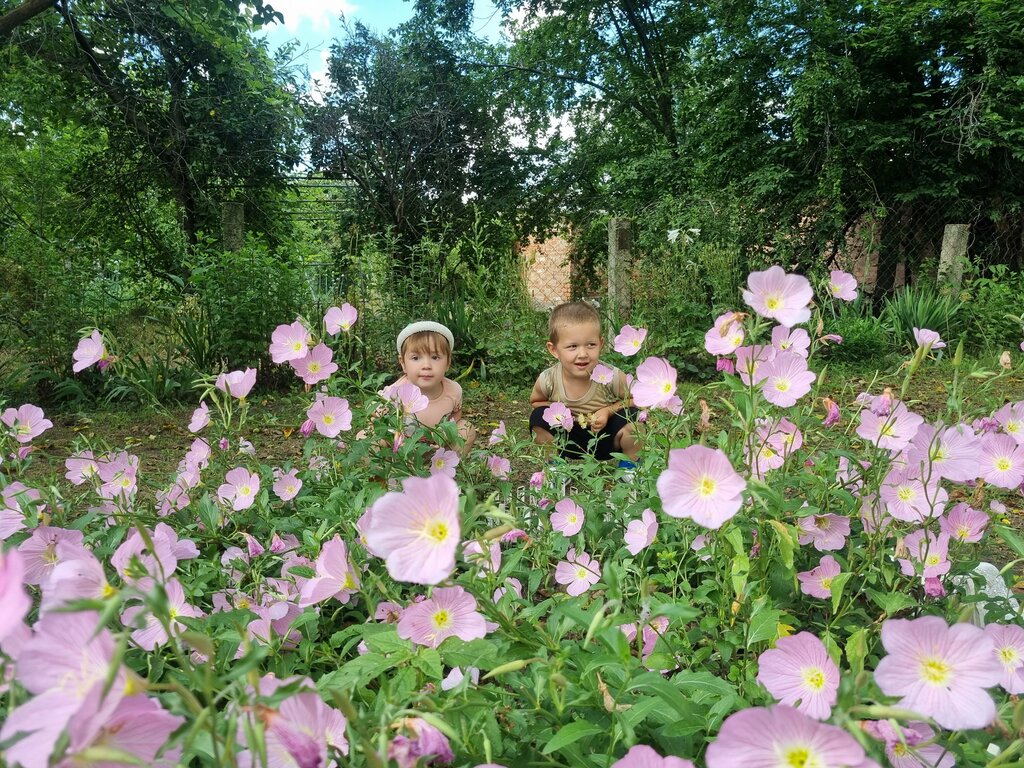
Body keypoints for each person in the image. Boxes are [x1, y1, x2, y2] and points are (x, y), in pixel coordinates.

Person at [529, 302, 639, 463]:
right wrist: (562, 413)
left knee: (633, 418)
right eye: (572, 346)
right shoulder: (548, 379)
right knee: (538, 418)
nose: (583, 354)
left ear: (601, 344)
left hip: (606, 438)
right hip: (568, 440)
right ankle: (555, 468)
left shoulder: (611, 376)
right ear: (554, 350)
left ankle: (630, 468)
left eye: (591, 345)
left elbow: (637, 400)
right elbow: (536, 401)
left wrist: (608, 411)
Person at [391, 320, 476, 455]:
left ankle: (449, 469)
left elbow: (456, 413)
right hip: (404, 450)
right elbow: (376, 415)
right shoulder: (395, 391)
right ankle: (386, 474)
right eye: (416, 358)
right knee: (365, 436)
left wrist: (447, 432)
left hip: (439, 448)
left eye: (435, 357)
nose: (426, 365)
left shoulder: (453, 390)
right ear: (403, 363)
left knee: (467, 429)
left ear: (447, 362)